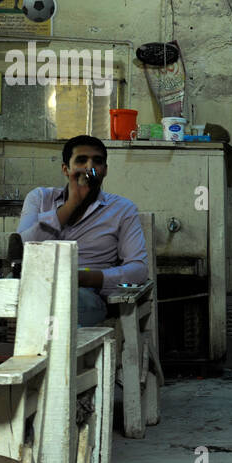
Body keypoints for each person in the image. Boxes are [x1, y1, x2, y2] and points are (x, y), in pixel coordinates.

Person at [18, 135, 147, 327]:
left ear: (105, 170)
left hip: (86, 294)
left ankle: (57, 353)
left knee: (63, 307)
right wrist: (71, 205)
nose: (89, 167)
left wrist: (84, 278)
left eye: (97, 161)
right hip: (37, 286)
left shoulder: (122, 209)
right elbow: (23, 248)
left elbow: (138, 271)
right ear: (65, 169)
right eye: (81, 160)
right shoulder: (40, 198)